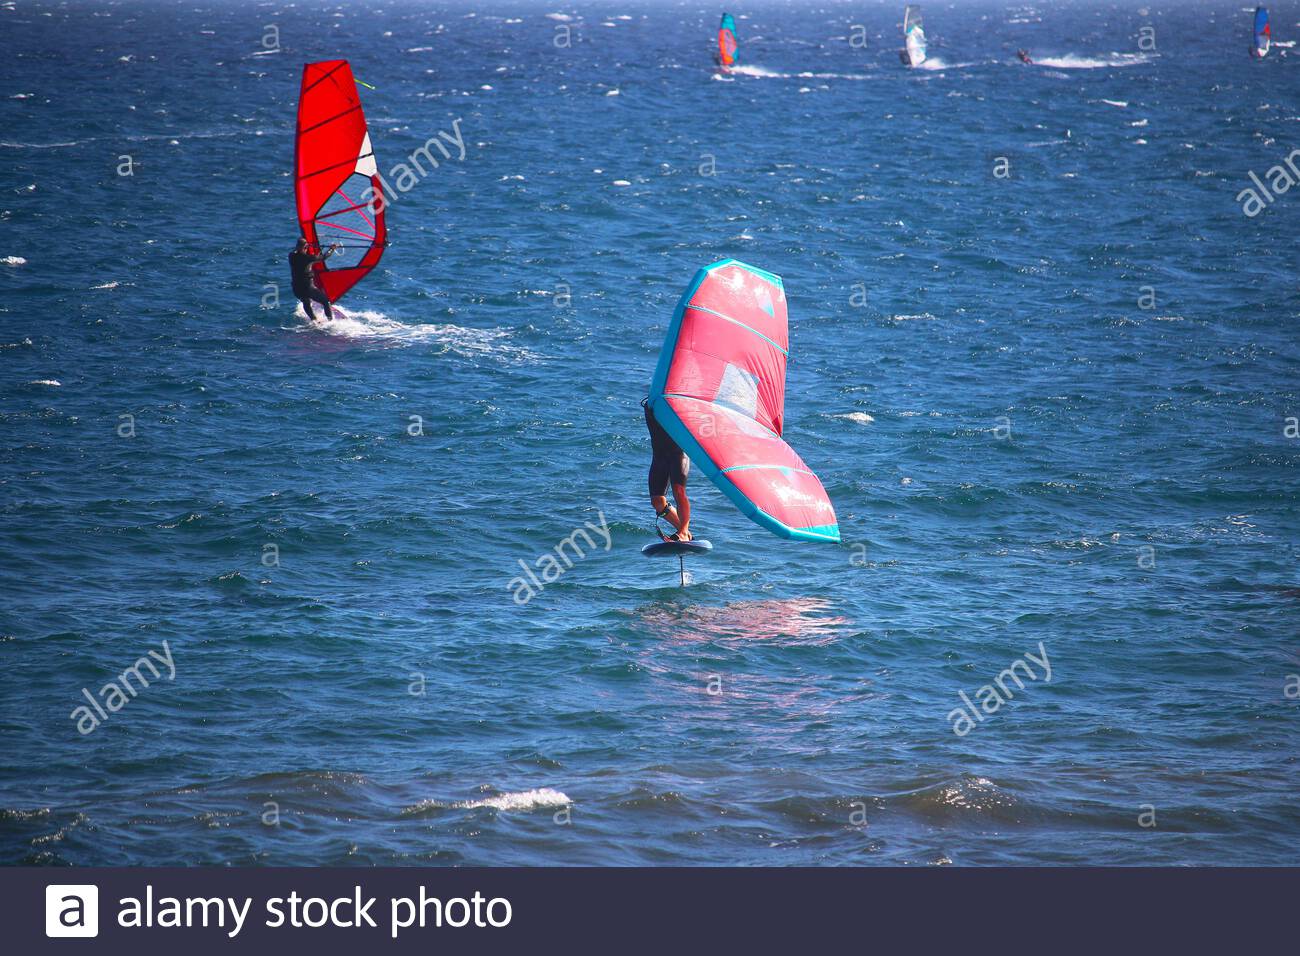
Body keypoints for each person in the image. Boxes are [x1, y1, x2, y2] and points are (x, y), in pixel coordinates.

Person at [642, 399, 692, 541]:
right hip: (659, 457)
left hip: (678, 454)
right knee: (657, 502)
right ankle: (685, 533)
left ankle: (683, 532)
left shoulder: (679, 405)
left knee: (678, 491)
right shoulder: (651, 403)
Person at [289, 238, 340, 321]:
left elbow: (296, 250)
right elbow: (324, 257)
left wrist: (305, 246)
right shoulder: (309, 258)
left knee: (306, 302)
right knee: (326, 302)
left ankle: (314, 320)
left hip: (296, 288)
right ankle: (330, 322)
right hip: (308, 287)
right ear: (305, 247)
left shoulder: (291, 256)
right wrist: (332, 249)